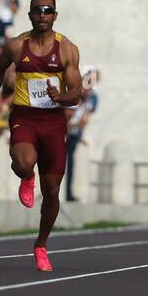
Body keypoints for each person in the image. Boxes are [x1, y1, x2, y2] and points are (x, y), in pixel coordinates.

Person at [0, 0, 82, 272]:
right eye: (38, 10)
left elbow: (77, 94)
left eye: (48, 11)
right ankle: (26, 175)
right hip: (25, 116)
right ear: (30, 15)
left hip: (54, 121)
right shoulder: (15, 46)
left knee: (52, 190)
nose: (43, 15)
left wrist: (59, 97)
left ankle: (41, 244)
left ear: (55, 16)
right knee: (24, 162)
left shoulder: (67, 49)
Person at [65, 66, 99, 202]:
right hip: (63, 135)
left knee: (70, 165)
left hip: (72, 135)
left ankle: (68, 193)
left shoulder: (88, 101)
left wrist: (80, 133)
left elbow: (83, 122)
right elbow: (66, 119)